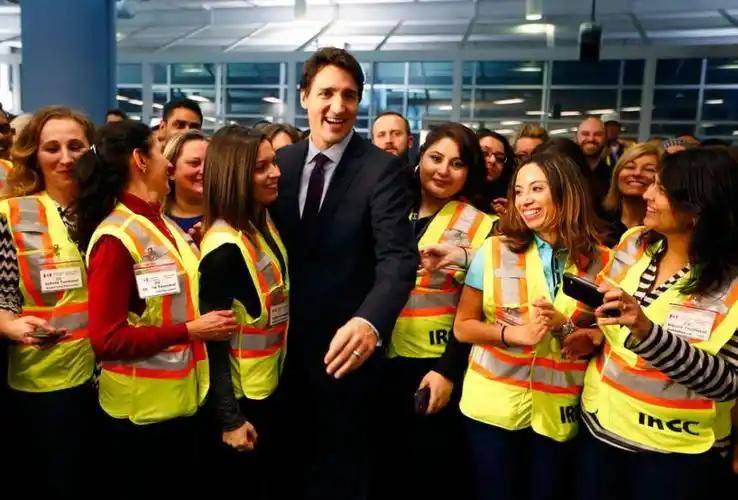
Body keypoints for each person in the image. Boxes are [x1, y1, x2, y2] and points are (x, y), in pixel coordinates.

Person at [271, 47, 417, 500]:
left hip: (346, 352)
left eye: (349, 96)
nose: (338, 107)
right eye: (327, 93)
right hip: (278, 354)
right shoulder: (281, 163)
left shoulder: (381, 169)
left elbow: (398, 259)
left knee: (343, 472)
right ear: (304, 97)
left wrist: (370, 322)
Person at [74, 120, 236, 499]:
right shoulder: (116, 236)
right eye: (161, 151)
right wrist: (191, 331)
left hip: (177, 405)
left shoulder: (158, 221)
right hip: (140, 415)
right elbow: (106, 339)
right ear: (140, 160)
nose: (169, 162)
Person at [577, 148, 738, 500]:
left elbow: (728, 382)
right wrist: (590, 328)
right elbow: (607, 311)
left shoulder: (730, 283)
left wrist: (647, 332)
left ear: (697, 208)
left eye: (661, 189)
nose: (647, 194)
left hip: (675, 452)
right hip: (601, 425)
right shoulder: (635, 242)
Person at [454, 150, 611, 500]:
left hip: (560, 409)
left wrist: (588, 335)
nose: (524, 200)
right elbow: (463, 326)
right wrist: (512, 334)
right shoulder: (494, 250)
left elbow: (610, 333)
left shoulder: (603, 260)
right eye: (519, 191)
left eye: (536, 189)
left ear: (566, 193)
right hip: (494, 409)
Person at [381, 122, 496, 500]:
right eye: (435, 158)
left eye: (457, 163)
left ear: (469, 172)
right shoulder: (389, 208)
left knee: (429, 472)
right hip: (378, 360)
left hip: (437, 364)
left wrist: (447, 370)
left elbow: (479, 310)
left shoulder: (482, 226)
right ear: (420, 158)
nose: (443, 170)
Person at [0, 106, 97, 496]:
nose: (66, 158)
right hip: (45, 382)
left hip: (109, 377)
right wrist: (7, 325)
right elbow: (4, 292)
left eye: (76, 146)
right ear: (33, 155)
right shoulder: (11, 214)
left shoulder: (110, 212)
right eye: (52, 148)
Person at [199, 126, 286, 498]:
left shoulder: (259, 224)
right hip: (242, 399)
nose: (275, 173)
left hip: (267, 386)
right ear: (234, 176)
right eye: (261, 167)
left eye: (274, 163)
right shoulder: (223, 247)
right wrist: (229, 418)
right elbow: (213, 343)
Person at [601, 143, 660, 246]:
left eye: (649, 169)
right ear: (617, 173)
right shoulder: (597, 221)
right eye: (630, 167)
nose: (637, 173)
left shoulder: (663, 230)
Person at [163, 130, 208, 238]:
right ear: (171, 170)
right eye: (194, 163)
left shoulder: (227, 218)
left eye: (210, 163)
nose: (204, 170)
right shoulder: (155, 220)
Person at [477, 128, 514, 216]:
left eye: (500, 158)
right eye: (484, 153)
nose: (493, 160)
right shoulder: (452, 194)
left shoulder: (510, 200)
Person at [576, 116, 610, 207]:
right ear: (576, 137)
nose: (591, 139)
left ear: (605, 139)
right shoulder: (564, 170)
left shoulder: (612, 176)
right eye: (585, 134)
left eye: (598, 134)